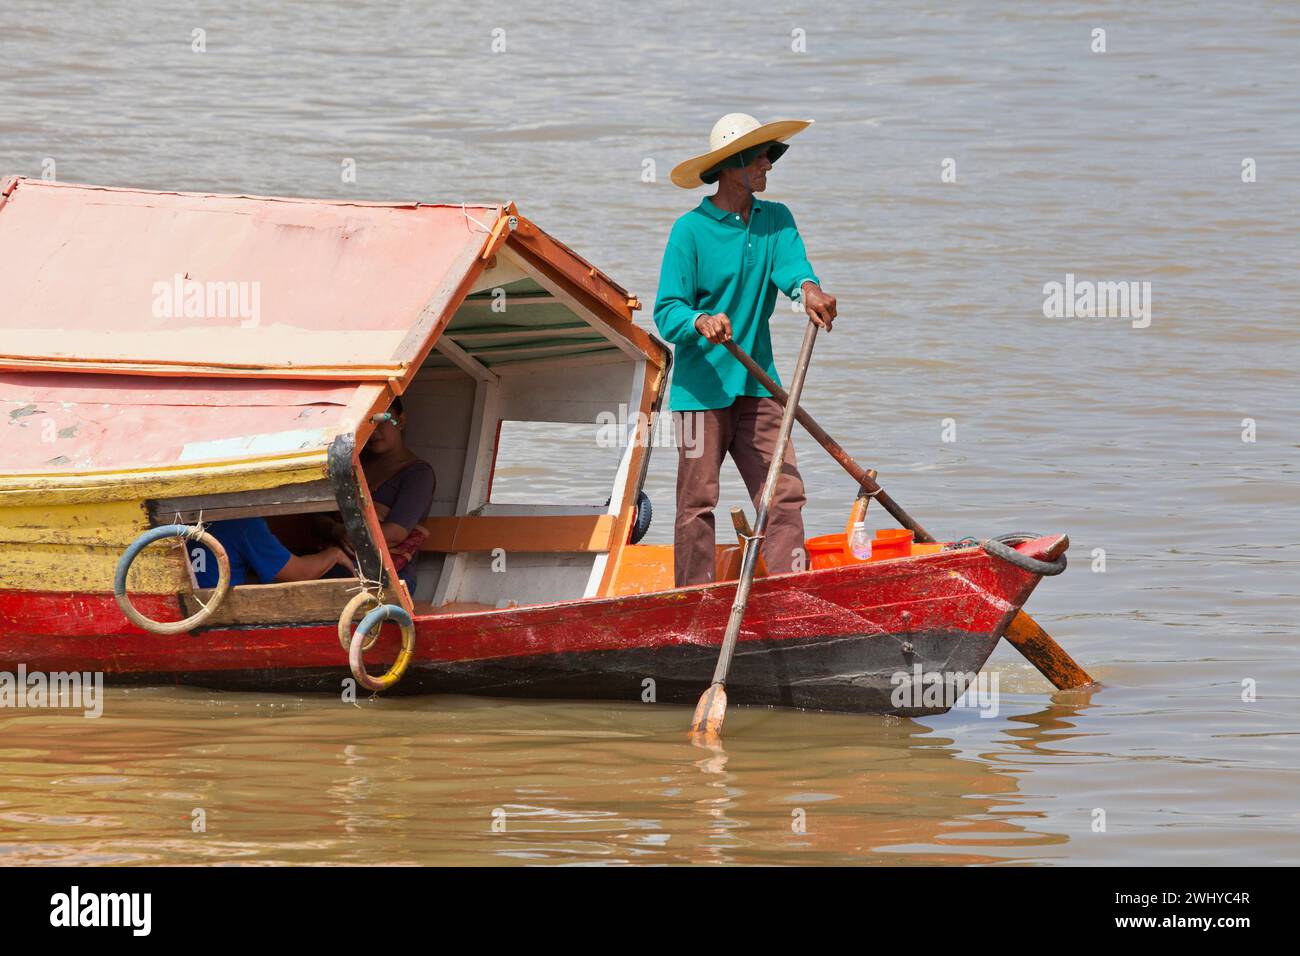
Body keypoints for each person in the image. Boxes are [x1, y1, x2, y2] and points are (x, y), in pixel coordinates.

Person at [654, 112, 838, 587]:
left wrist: (810, 292)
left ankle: (789, 593)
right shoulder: (689, 232)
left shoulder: (774, 219)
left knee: (783, 493)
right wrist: (700, 320)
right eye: (761, 157)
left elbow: (795, 271)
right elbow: (667, 311)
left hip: (757, 382)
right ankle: (693, 603)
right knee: (697, 503)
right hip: (702, 393)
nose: (769, 167)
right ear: (733, 165)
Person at [318, 396, 435, 593]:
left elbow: (395, 534)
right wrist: (337, 530)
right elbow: (318, 518)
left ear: (401, 421)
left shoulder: (418, 474)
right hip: (338, 560)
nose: (375, 431)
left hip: (388, 575)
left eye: (383, 421)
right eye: (368, 423)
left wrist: (346, 530)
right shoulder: (353, 465)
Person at [192, 516, 353, 588]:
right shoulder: (241, 522)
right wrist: (334, 554)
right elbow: (301, 574)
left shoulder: (178, 515)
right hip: (218, 618)